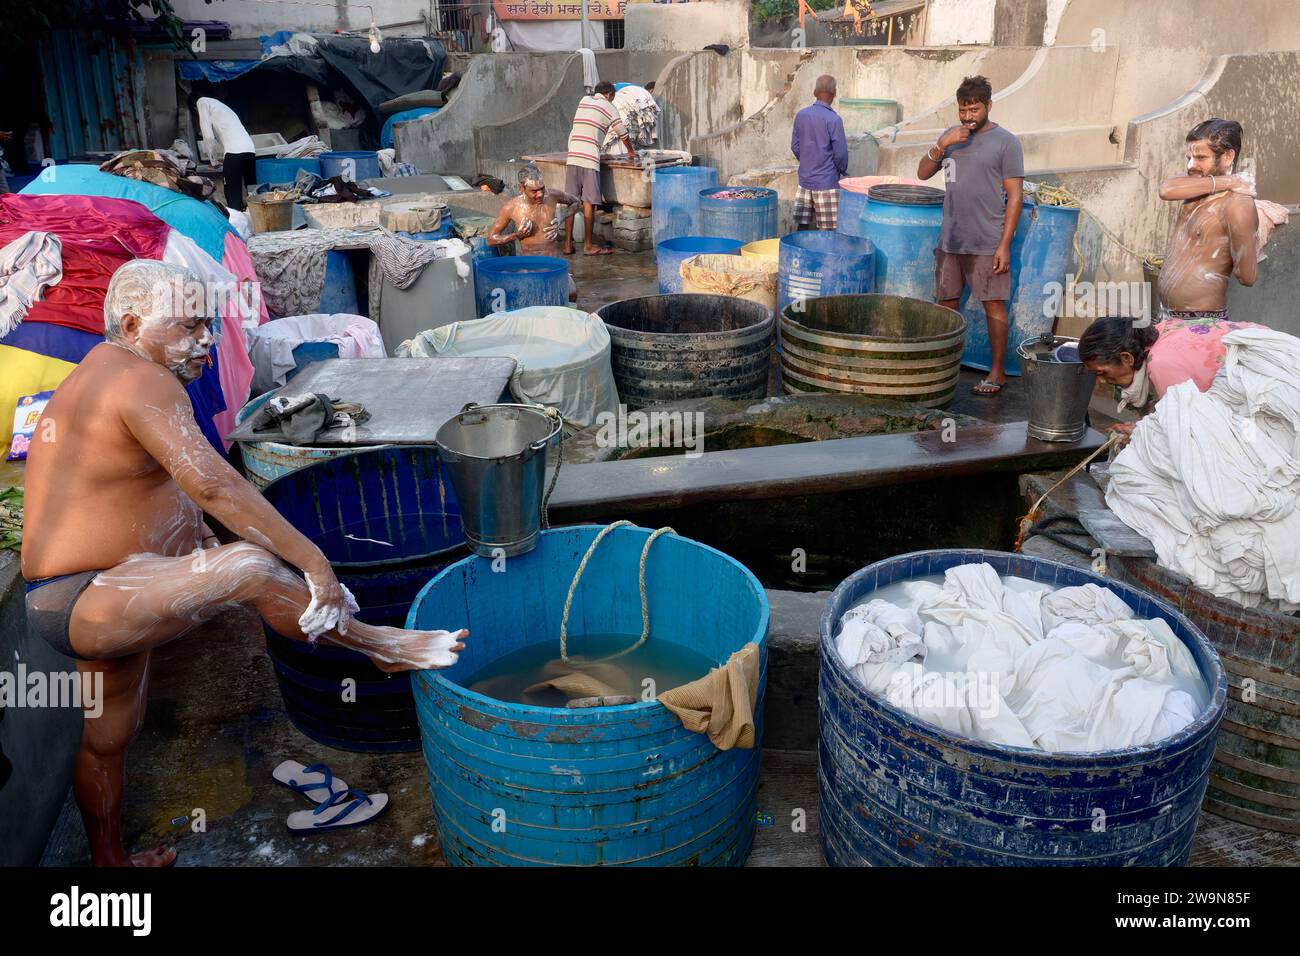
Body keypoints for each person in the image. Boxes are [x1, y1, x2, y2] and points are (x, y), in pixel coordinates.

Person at [20, 260, 468, 866]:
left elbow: (160, 483)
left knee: (107, 741)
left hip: (81, 596)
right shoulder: (140, 381)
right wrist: (316, 565)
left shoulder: (107, 371)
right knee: (249, 568)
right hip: (91, 595)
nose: (205, 340)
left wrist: (195, 535)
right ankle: (381, 646)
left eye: (208, 324)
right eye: (188, 327)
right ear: (131, 325)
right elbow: (216, 485)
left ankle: (109, 863)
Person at [916, 75, 1024, 395]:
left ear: (988, 106)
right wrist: (943, 143)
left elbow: (1015, 197)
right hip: (950, 240)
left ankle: (997, 373)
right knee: (946, 304)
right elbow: (922, 173)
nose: (968, 116)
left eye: (974, 109)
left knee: (994, 305)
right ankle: (940, 367)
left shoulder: (1007, 142)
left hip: (987, 241)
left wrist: (1004, 245)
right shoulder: (951, 138)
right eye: (963, 110)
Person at [1079, 313, 1266, 441]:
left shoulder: (1161, 364)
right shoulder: (1157, 332)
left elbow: (1188, 431)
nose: (1101, 381)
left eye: (1101, 372)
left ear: (1126, 358)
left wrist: (1142, 434)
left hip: (1270, 376)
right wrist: (1148, 426)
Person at [1154, 118, 1258, 317]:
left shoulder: (1237, 204)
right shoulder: (1198, 186)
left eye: (1201, 158)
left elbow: (1248, 276)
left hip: (1202, 319)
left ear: (1228, 156)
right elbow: (1166, 189)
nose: (1191, 165)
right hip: (1167, 315)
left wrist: (1245, 241)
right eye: (1189, 158)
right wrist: (1231, 181)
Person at [486, 165, 581, 301]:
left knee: (571, 294)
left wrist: (560, 218)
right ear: (522, 188)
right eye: (534, 191)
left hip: (552, 265)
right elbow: (490, 239)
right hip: (528, 267)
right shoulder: (512, 207)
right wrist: (516, 236)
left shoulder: (552, 195)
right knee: (529, 297)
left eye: (542, 188)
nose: (540, 194)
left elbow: (576, 202)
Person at [564, 81, 636, 257]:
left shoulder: (583, 100)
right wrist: (631, 151)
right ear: (610, 95)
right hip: (589, 159)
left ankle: (567, 245)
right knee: (589, 202)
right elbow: (623, 133)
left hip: (572, 155)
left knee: (572, 201)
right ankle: (588, 246)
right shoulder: (609, 107)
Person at [790, 74, 848, 231]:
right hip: (827, 183)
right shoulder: (834, 120)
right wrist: (841, 171)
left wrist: (808, 162)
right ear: (834, 93)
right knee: (828, 232)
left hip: (805, 181)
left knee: (802, 227)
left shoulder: (801, 115)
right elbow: (840, 154)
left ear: (814, 92)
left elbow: (795, 146)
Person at [193, 95, 257, 211]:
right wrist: (222, 157)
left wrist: (213, 161)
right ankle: (258, 218)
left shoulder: (201, 102)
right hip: (250, 150)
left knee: (233, 194)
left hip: (234, 153)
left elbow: (207, 134)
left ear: (194, 108)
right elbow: (228, 134)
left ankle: (238, 222)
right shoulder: (221, 107)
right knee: (252, 190)